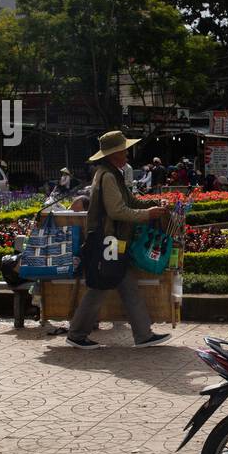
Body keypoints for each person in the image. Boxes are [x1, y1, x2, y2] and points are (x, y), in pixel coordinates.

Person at [65, 131, 173, 350]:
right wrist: (147, 215)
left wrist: (152, 204)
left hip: (113, 240)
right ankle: (77, 334)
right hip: (108, 240)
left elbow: (131, 201)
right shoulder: (107, 176)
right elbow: (117, 211)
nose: (127, 153)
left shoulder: (113, 174)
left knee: (124, 283)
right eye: (123, 150)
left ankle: (143, 335)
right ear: (114, 154)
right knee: (100, 285)